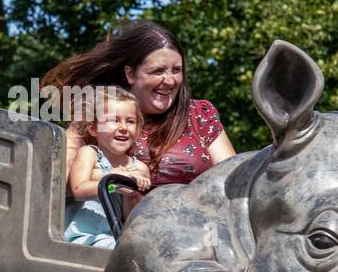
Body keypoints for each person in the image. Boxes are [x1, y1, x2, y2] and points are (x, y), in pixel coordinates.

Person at [42, 20, 236, 187]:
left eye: (176, 70)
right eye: (158, 71)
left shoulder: (200, 114)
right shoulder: (97, 114)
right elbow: (57, 184)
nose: (169, 80)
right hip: (125, 228)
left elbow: (233, 181)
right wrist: (116, 177)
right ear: (130, 74)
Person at [64, 87, 151, 248]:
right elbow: (78, 190)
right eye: (114, 120)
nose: (123, 127)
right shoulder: (89, 153)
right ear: (93, 129)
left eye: (130, 121)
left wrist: (131, 194)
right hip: (82, 236)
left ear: (138, 130)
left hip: (112, 235)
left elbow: (130, 219)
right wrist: (113, 181)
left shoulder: (139, 168)